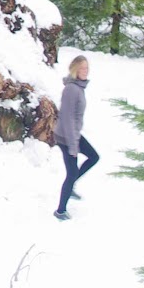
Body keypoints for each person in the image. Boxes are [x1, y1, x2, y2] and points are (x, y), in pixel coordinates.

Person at [53, 54, 99, 220]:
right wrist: (73, 146)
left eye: (86, 68)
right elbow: (67, 118)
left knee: (93, 157)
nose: (85, 71)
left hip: (73, 134)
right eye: (81, 68)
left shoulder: (78, 87)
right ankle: (60, 211)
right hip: (66, 137)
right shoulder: (72, 89)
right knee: (71, 173)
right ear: (74, 70)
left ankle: (71, 186)